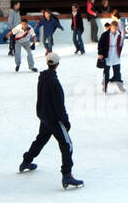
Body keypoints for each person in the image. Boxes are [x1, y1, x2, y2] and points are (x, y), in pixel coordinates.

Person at [18, 52, 82, 188]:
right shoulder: (53, 81)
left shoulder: (43, 78)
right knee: (67, 144)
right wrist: (65, 120)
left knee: (41, 139)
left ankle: (27, 160)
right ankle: (67, 174)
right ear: (57, 64)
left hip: (44, 116)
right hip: (53, 118)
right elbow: (59, 104)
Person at [98, 18, 125, 93]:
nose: (114, 29)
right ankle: (105, 87)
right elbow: (100, 44)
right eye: (113, 28)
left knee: (117, 73)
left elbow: (121, 44)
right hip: (107, 56)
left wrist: (119, 52)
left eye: (116, 28)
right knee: (106, 72)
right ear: (110, 27)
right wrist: (100, 53)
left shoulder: (119, 34)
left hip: (116, 56)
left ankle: (121, 87)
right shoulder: (105, 34)